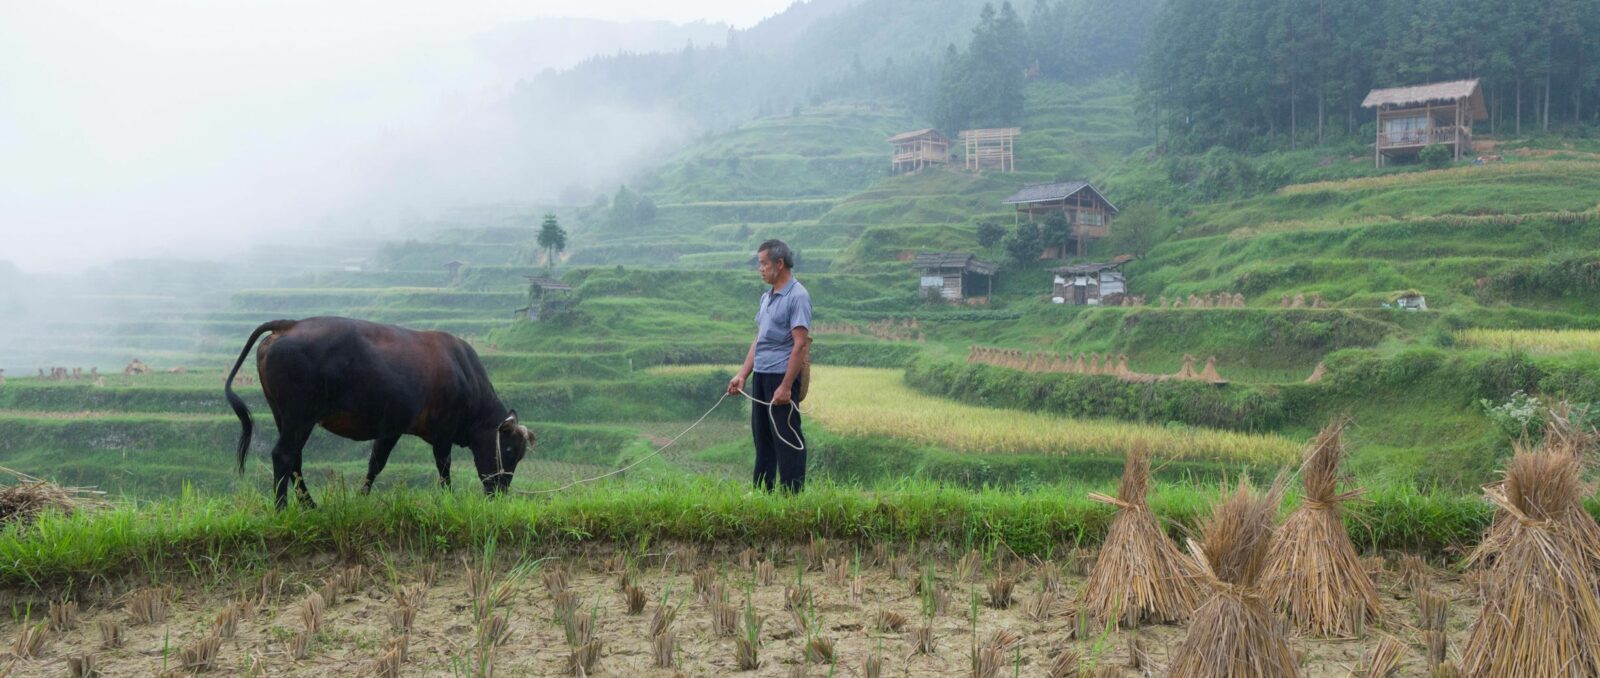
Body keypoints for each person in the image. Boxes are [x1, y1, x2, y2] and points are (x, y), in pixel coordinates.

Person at [727, 239, 812, 493]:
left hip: (781, 376)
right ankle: (763, 493)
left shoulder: (798, 296)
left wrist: (786, 386)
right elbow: (760, 339)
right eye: (759, 264)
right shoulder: (767, 297)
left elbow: (799, 345)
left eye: (764, 263)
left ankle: (791, 497)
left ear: (779, 263)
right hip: (762, 375)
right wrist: (743, 375)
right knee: (763, 439)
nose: (760, 269)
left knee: (786, 438)